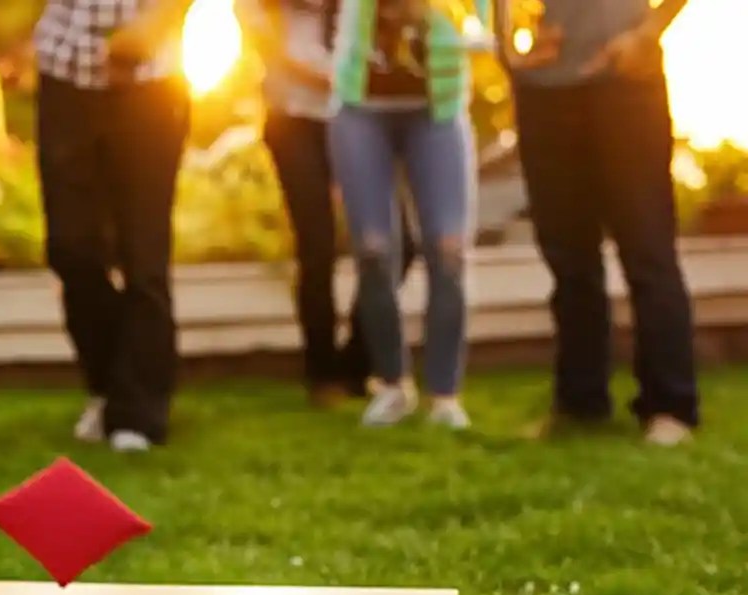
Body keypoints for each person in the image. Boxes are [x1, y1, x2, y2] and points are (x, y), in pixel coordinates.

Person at [499, 0, 699, 446]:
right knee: (568, 259)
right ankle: (579, 402)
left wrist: (647, 33)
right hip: (544, 92)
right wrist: (507, 50)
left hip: (624, 82)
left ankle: (670, 405)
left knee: (647, 248)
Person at [237, 0, 419, 404]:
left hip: (360, 119)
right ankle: (322, 374)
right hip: (295, 119)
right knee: (317, 245)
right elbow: (274, 48)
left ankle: (356, 363)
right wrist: (353, 76)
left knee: (398, 241)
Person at [34, 0, 196, 452]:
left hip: (151, 83)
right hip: (66, 75)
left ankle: (139, 412)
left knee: (143, 254)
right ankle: (108, 385)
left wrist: (155, 22)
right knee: (71, 248)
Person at [328, 0, 489, 428]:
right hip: (360, 110)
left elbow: (483, 25)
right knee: (374, 250)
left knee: (449, 249)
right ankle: (393, 383)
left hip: (438, 110)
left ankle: (445, 393)